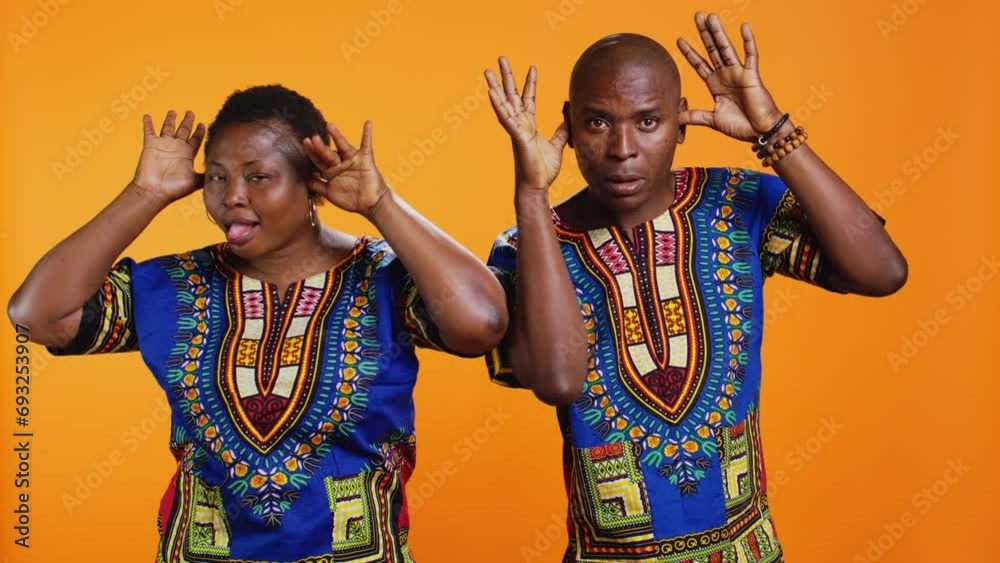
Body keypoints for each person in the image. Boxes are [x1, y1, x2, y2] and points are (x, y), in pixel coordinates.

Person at [7, 84, 507, 562]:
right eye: (218, 176)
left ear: (314, 178)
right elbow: (37, 316)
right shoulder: (178, 285)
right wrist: (144, 194)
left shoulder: (382, 277)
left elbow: (482, 323)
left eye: (257, 176)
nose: (231, 196)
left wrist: (382, 205)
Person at [482, 12, 906, 562]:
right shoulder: (528, 245)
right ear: (566, 123)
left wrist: (773, 131)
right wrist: (532, 197)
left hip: (746, 550)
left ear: (683, 121)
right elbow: (559, 380)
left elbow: (882, 271)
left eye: (649, 121)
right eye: (598, 123)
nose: (623, 149)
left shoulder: (735, 203)